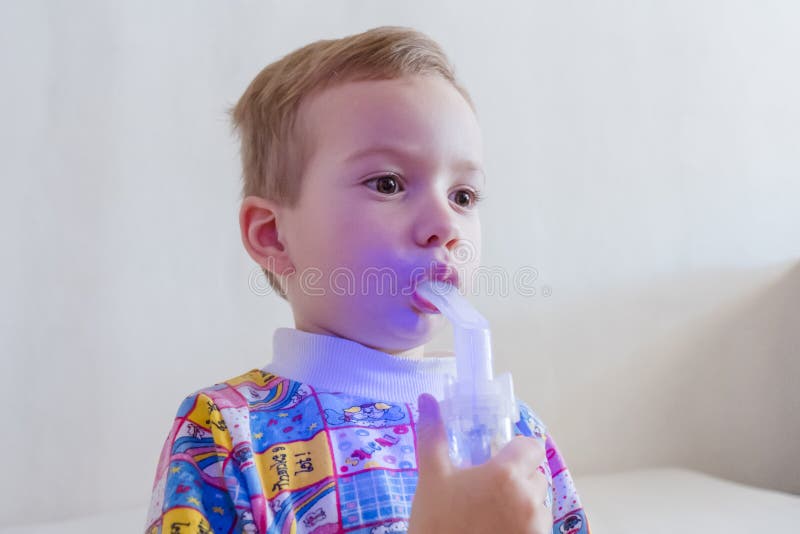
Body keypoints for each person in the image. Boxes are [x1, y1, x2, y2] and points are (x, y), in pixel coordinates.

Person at [145, 26, 590, 534]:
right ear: (273, 236)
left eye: (463, 196)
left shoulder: (515, 435)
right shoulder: (224, 433)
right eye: (388, 184)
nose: (446, 225)